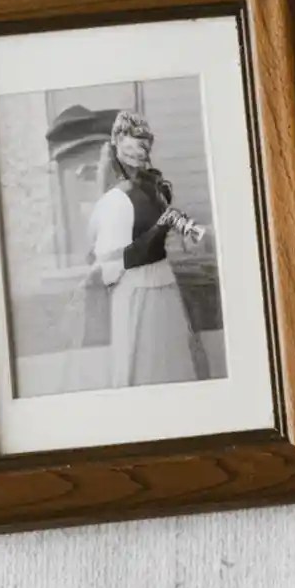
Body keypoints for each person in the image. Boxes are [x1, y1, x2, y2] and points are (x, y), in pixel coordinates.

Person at [85, 111, 208, 388]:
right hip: (135, 292)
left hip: (163, 287)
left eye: (145, 145)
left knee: (172, 363)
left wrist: (175, 226)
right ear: (118, 144)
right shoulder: (114, 201)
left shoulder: (154, 187)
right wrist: (159, 229)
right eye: (135, 144)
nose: (142, 152)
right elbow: (115, 260)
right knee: (141, 367)